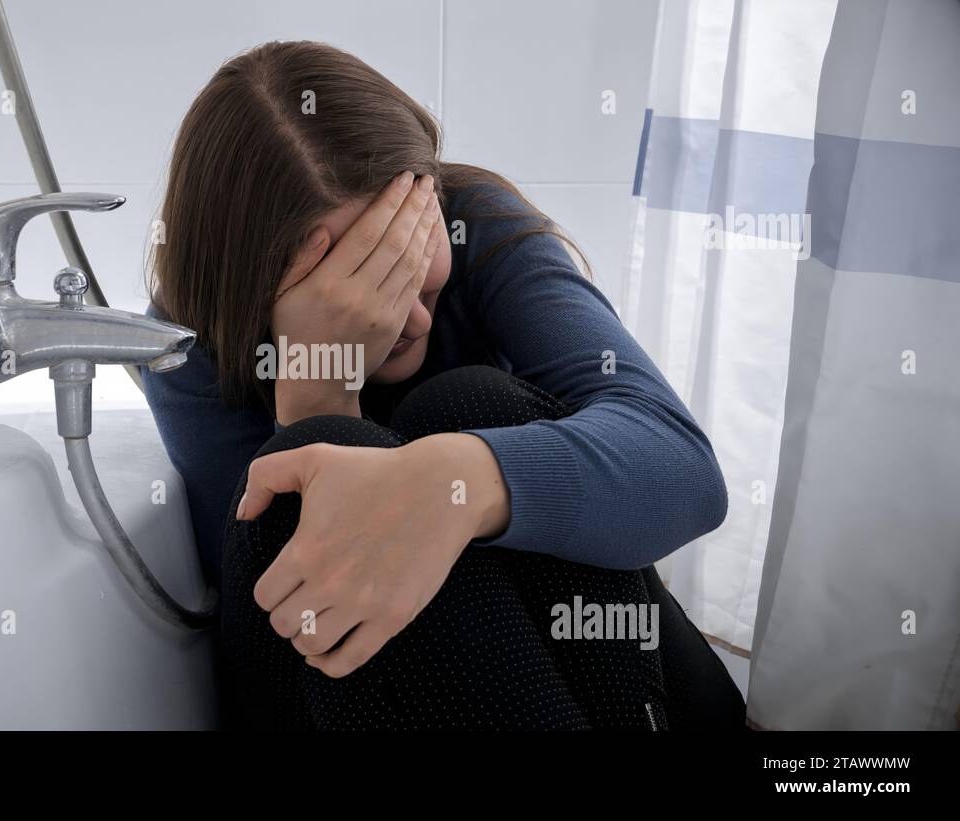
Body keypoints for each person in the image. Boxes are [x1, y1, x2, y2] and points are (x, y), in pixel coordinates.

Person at [142, 40, 743, 729]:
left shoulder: (480, 224)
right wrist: (318, 397)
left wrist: (456, 483)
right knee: (312, 461)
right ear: (245, 289)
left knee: (468, 406)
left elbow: (688, 475)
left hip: (609, 683)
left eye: (403, 256)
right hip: (332, 693)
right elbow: (269, 587)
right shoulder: (189, 339)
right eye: (354, 284)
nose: (405, 313)